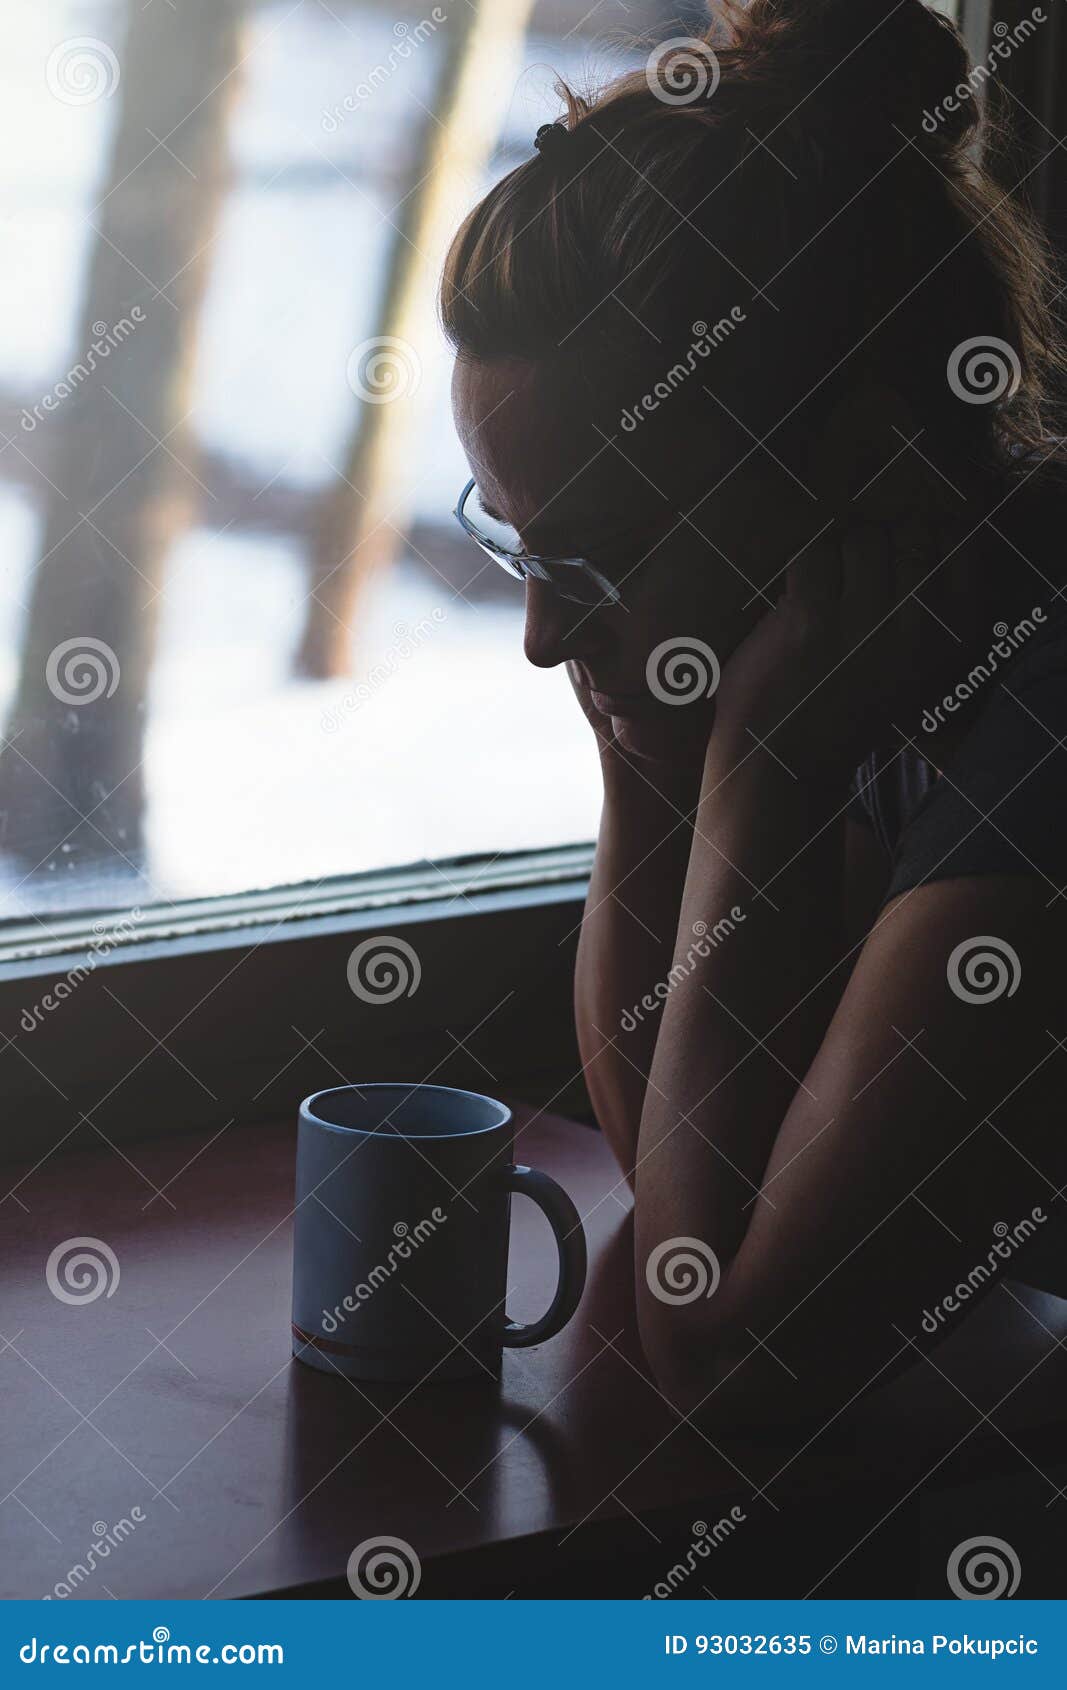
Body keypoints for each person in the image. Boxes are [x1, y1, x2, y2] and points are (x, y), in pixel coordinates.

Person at [443, 0, 1067, 1420]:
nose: (544, 639)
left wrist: (763, 764)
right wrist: (653, 746)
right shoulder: (880, 636)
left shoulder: (1034, 707)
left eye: (599, 553)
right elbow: (663, 1136)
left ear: (863, 466)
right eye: (525, 555)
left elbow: (740, 1352)